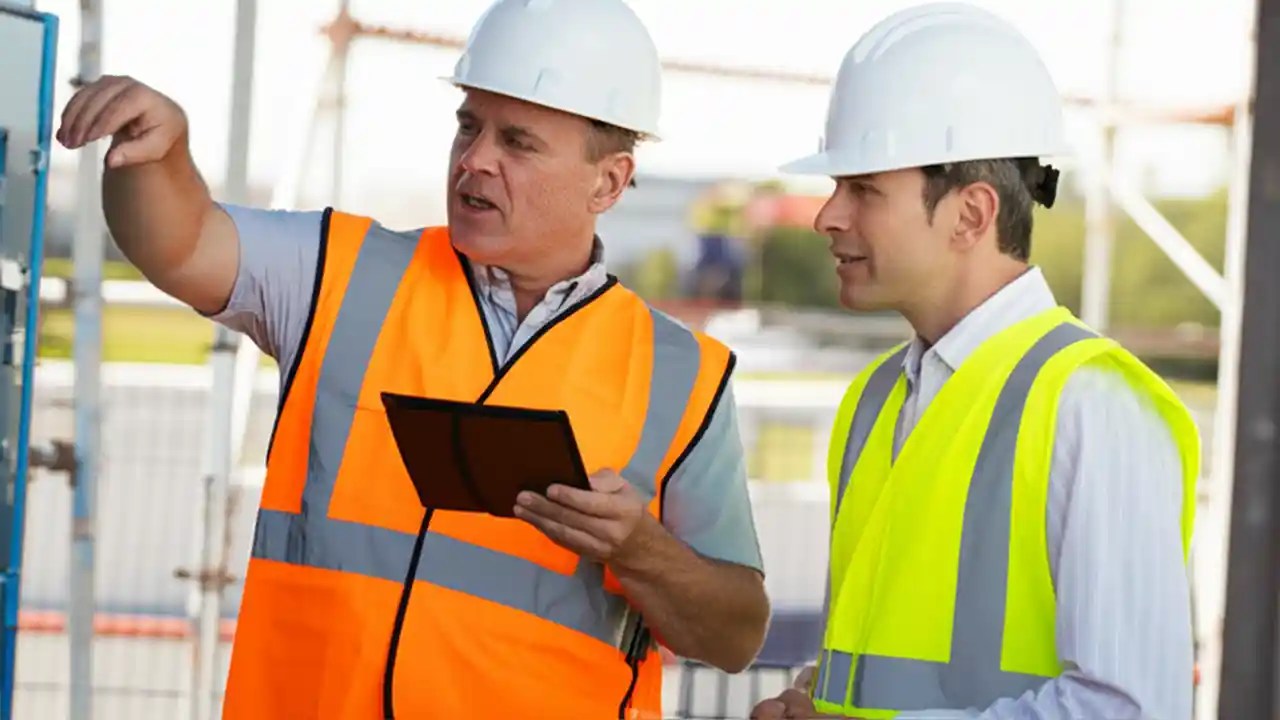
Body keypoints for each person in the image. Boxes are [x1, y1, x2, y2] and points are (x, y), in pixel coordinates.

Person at [57, 0, 770, 717]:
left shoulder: (683, 376)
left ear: (609, 182)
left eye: (517, 142)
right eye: (469, 126)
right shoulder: (338, 272)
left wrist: (639, 548)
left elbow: (736, 638)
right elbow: (181, 243)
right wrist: (158, 158)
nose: (475, 159)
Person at [752, 3, 1200, 719]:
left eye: (864, 189)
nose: (827, 217)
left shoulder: (1093, 406)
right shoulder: (876, 399)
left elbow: (1130, 708)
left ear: (971, 213)